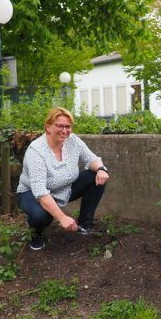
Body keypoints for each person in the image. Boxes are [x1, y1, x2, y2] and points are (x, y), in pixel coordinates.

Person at [16, 107, 109, 251]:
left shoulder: (73, 141)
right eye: (59, 126)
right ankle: (36, 233)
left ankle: (84, 224)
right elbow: (40, 192)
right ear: (48, 127)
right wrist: (62, 218)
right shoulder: (36, 151)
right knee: (41, 216)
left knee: (95, 176)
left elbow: (91, 159)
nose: (64, 130)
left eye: (68, 126)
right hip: (32, 194)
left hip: (64, 188)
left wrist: (101, 169)